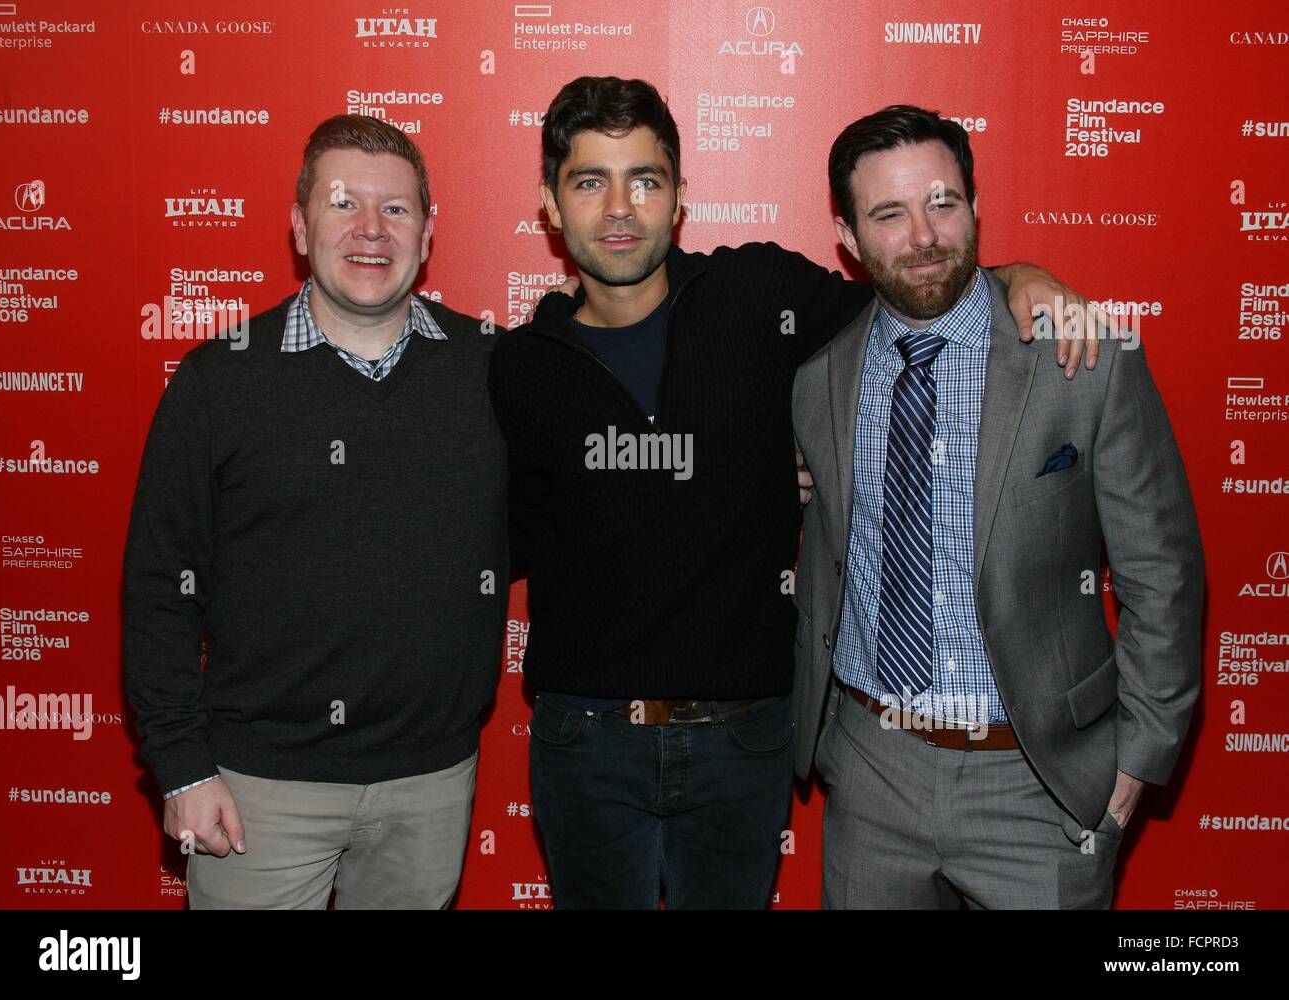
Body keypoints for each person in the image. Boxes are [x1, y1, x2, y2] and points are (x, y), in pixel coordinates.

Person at [487, 76, 1096, 909]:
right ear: (551, 206)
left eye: (646, 179)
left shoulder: (760, 294)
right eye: (590, 181)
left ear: (680, 197)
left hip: (744, 739)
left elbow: (911, 297)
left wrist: (1014, 276)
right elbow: (497, 530)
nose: (620, 208)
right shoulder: (521, 368)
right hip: (584, 740)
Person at [792, 105, 1203, 909]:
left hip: (1038, 782)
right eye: (889, 214)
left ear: (976, 206)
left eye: (943, 202)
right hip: (871, 774)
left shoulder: (1082, 355)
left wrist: (1129, 772)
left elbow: (1164, 574)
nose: (924, 235)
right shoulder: (819, 381)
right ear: (847, 235)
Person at [122, 115, 508, 909]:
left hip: (429, 785)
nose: (371, 230)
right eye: (343, 204)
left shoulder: (496, 373)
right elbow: (159, 585)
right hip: (257, 785)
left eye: (396, 210)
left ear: (428, 232)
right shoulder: (217, 383)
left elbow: (578, 512)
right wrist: (184, 765)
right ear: (301, 226)